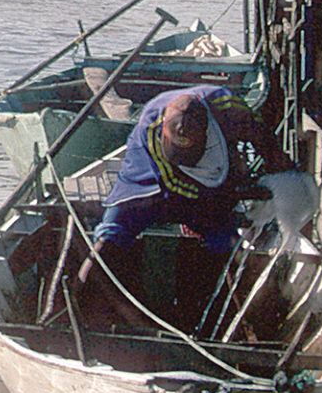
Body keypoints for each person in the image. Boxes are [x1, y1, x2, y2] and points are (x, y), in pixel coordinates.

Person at [76, 85, 309, 289]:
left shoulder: (226, 105)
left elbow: (261, 135)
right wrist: (237, 194)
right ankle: (80, 298)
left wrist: (279, 172)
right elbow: (174, 185)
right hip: (147, 180)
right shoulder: (150, 126)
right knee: (112, 232)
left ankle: (218, 295)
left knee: (224, 241)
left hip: (210, 176)